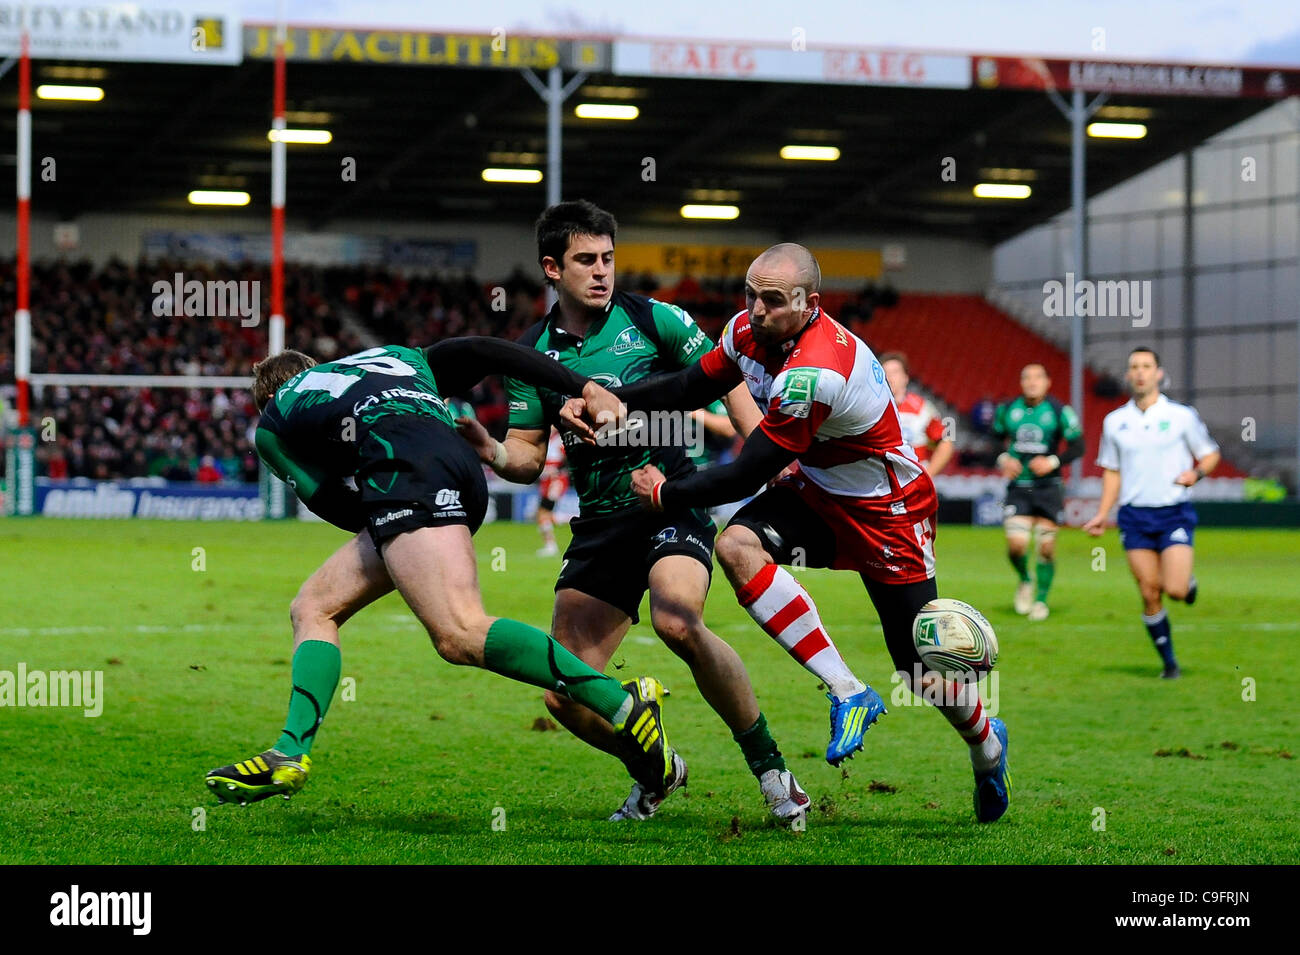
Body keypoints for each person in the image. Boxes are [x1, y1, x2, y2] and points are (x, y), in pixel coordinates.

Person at [580, 243, 1010, 823]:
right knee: (736, 545)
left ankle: (986, 747)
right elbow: (689, 387)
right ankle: (847, 688)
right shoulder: (746, 331)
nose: (756, 310)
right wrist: (614, 400)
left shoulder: (815, 371)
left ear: (810, 303)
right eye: (751, 294)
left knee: (918, 666)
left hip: (888, 510)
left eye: (773, 300)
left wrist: (666, 493)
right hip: (817, 490)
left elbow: (748, 470)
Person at [205, 338, 677, 810]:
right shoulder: (393, 358)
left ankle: (621, 703)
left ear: (267, 398)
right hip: (456, 466)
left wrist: (395, 514)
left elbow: (328, 499)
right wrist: (585, 385)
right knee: (313, 607)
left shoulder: (274, 420)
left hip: (403, 471)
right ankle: (289, 751)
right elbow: (491, 350)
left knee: (460, 631)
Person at [456, 200, 810, 822]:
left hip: (668, 496)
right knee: (563, 696)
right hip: (600, 523)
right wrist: (488, 448)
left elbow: (725, 380)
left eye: (608, 259)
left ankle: (774, 772)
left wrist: (766, 450)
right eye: (585, 260)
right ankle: (656, 769)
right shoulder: (532, 355)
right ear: (551, 268)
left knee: (678, 622)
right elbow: (526, 458)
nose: (601, 271)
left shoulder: (655, 320)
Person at [1083, 347, 1220, 679]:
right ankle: (1170, 664)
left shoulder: (1181, 416)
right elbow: (1112, 472)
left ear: (1159, 373)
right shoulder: (1115, 422)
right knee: (1148, 591)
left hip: (1173, 512)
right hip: (1134, 516)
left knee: (1173, 589)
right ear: (1129, 375)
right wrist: (1103, 512)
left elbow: (1210, 453)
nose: (1140, 372)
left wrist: (1197, 474)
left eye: (1147, 366)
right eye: (1134, 367)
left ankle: (1186, 584)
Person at [991, 363, 1084, 622]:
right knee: (1016, 547)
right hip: (1018, 488)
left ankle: (1041, 601)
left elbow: (1078, 446)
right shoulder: (1007, 409)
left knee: (1045, 549)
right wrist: (1002, 459)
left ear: (1047, 382)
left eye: (1038, 378)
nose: (1032, 382)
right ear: (1021, 383)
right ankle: (1025, 579)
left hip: (1049, 488)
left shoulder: (1058, 410)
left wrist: (1052, 462)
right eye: (1027, 378)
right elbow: (993, 439)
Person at [879, 351, 954, 477]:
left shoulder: (922, 408)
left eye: (895, 372)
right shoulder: (872, 408)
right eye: (885, 372)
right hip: (882, 484)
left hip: (913, 485)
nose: (889, 377)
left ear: (906, 378)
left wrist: (928, 476)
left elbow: (946, 445)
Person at [535, 428, 569, 556]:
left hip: (555, 481)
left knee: (544, 512)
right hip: (546, 480)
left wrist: (557, 471)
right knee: (543, 513)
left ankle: (551, 545)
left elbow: (567, 458)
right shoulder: (545, 440)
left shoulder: (560, 440)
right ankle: (550, 545)